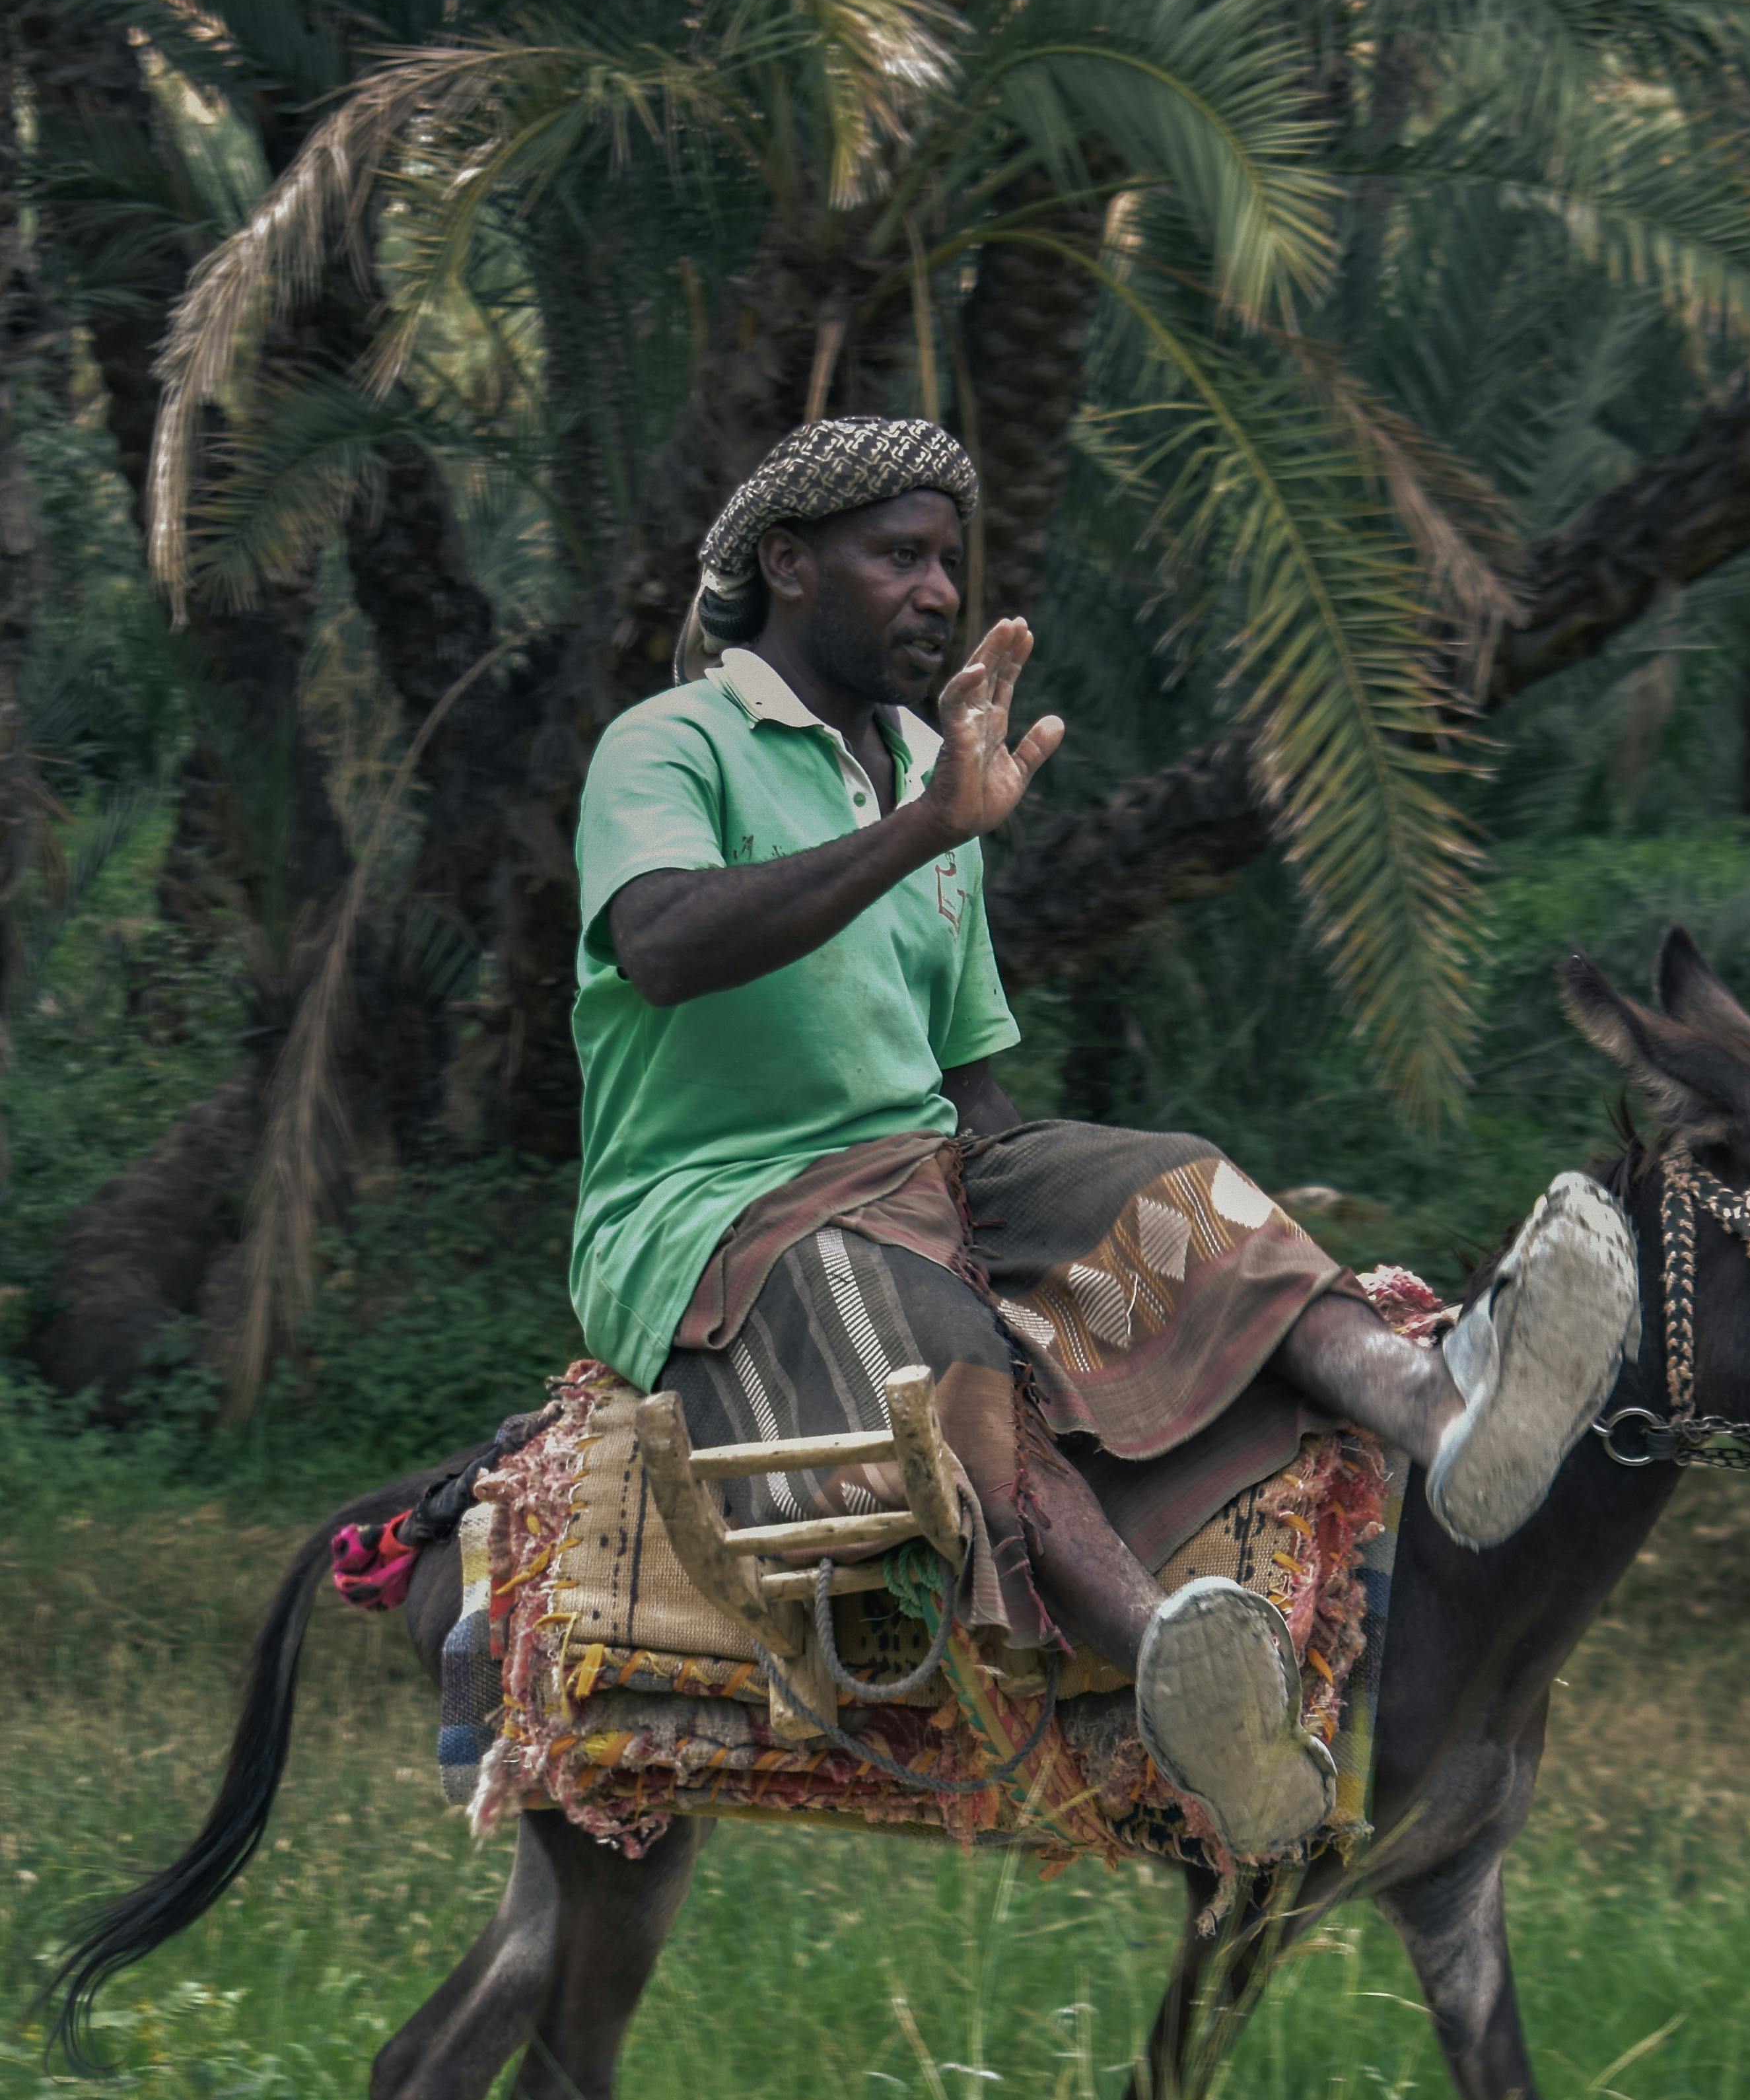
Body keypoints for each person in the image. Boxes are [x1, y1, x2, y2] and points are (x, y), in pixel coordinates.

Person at [569, 416, 1637, 1858]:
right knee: (943, 1346)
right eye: (902, 556)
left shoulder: (918, 772)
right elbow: (663, 945)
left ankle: (1452, 1419)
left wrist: (1079, 1233)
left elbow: (968, 1082)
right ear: (788, 565)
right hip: (722, 1210)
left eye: (952, 560)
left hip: (919, 1170)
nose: (941, 592)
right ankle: (1176, 1670)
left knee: (1174, 1185)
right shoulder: (671, 742)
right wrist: (928, 828)